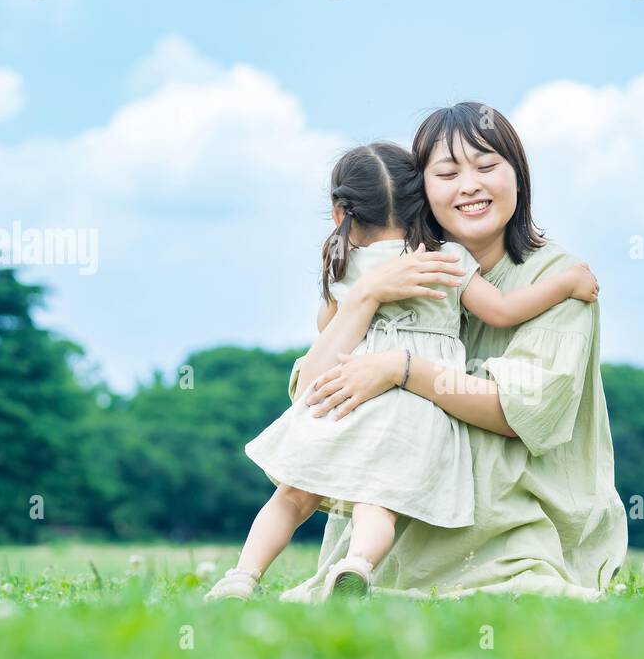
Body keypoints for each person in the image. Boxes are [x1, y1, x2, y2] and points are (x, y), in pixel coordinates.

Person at [205, 141, 597, 601]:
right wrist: (567, 284)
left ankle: (241, 578)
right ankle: (357, 565)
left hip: (346, 404)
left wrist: (361, 301)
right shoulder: (444, 260)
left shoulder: (343, 267)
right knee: (378, 503)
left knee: (291, 497)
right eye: (448, 174)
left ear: (339, 214)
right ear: (421, 204)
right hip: (408, 419)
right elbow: (504, 310)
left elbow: (323, 344)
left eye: (485, 167)